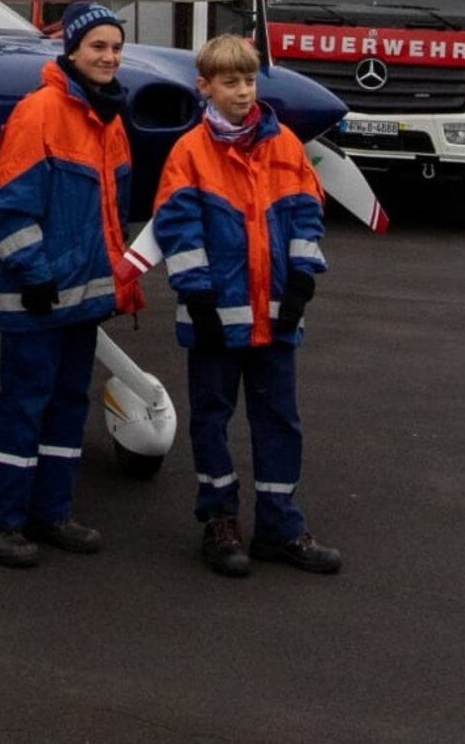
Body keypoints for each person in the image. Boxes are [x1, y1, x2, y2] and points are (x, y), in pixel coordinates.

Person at [153, 34, 341, 578]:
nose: (241, 91)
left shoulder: (285, 146)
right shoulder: (188, 153)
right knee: (211, 420)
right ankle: (220, 520)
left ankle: (280, 526)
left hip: (278, 317)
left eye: (249, 80)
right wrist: (199, 297)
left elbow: (307, 215)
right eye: (229, 82)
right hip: (214, 320)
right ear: (204, 88)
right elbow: (178, 229)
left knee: (280, 419)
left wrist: (303, 282)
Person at [0, 0, 144, 569]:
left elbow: (111, 215)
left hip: (84, 297)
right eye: (98, 46)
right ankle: (0, 520)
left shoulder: (110, 120)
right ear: (71, 50)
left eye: (116, 47)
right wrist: (36, 276)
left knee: (69, 407)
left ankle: (52, 511)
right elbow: (9, 208)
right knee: (23, 406)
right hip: (39, 296)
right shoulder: (38, 112)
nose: (109, 56)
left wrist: (114, 282)